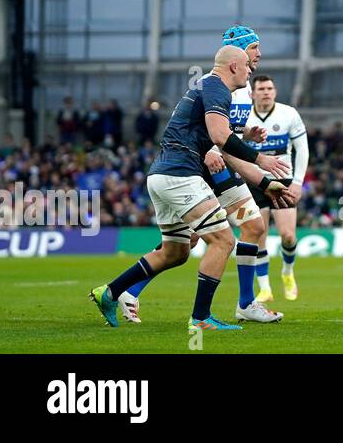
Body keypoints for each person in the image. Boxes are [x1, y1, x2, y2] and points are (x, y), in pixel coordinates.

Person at [90, 45, 294, 331]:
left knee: (176, 252)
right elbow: (221, 137)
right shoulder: (216, 87)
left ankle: (109, 292)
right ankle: (200, 318)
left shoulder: (206, 88)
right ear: (234, 66)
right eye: (247, 65)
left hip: (160, 175)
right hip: (181, 174)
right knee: (223, 240)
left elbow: (221, 139)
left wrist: (259, 174)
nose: (250, 71)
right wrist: (261, 159)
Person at [242, 74, 309, 303]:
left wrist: (298, 182)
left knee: (288, 236)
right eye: (261, 89)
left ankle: (288, 272)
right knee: (258, 233)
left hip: (284, 180)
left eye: (270, 88)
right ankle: (265, 288)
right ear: (253, 93)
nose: (266, 92)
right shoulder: (245, 116)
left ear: (275, 91)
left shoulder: (288, 113)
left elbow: (303, 149)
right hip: (255, 181)